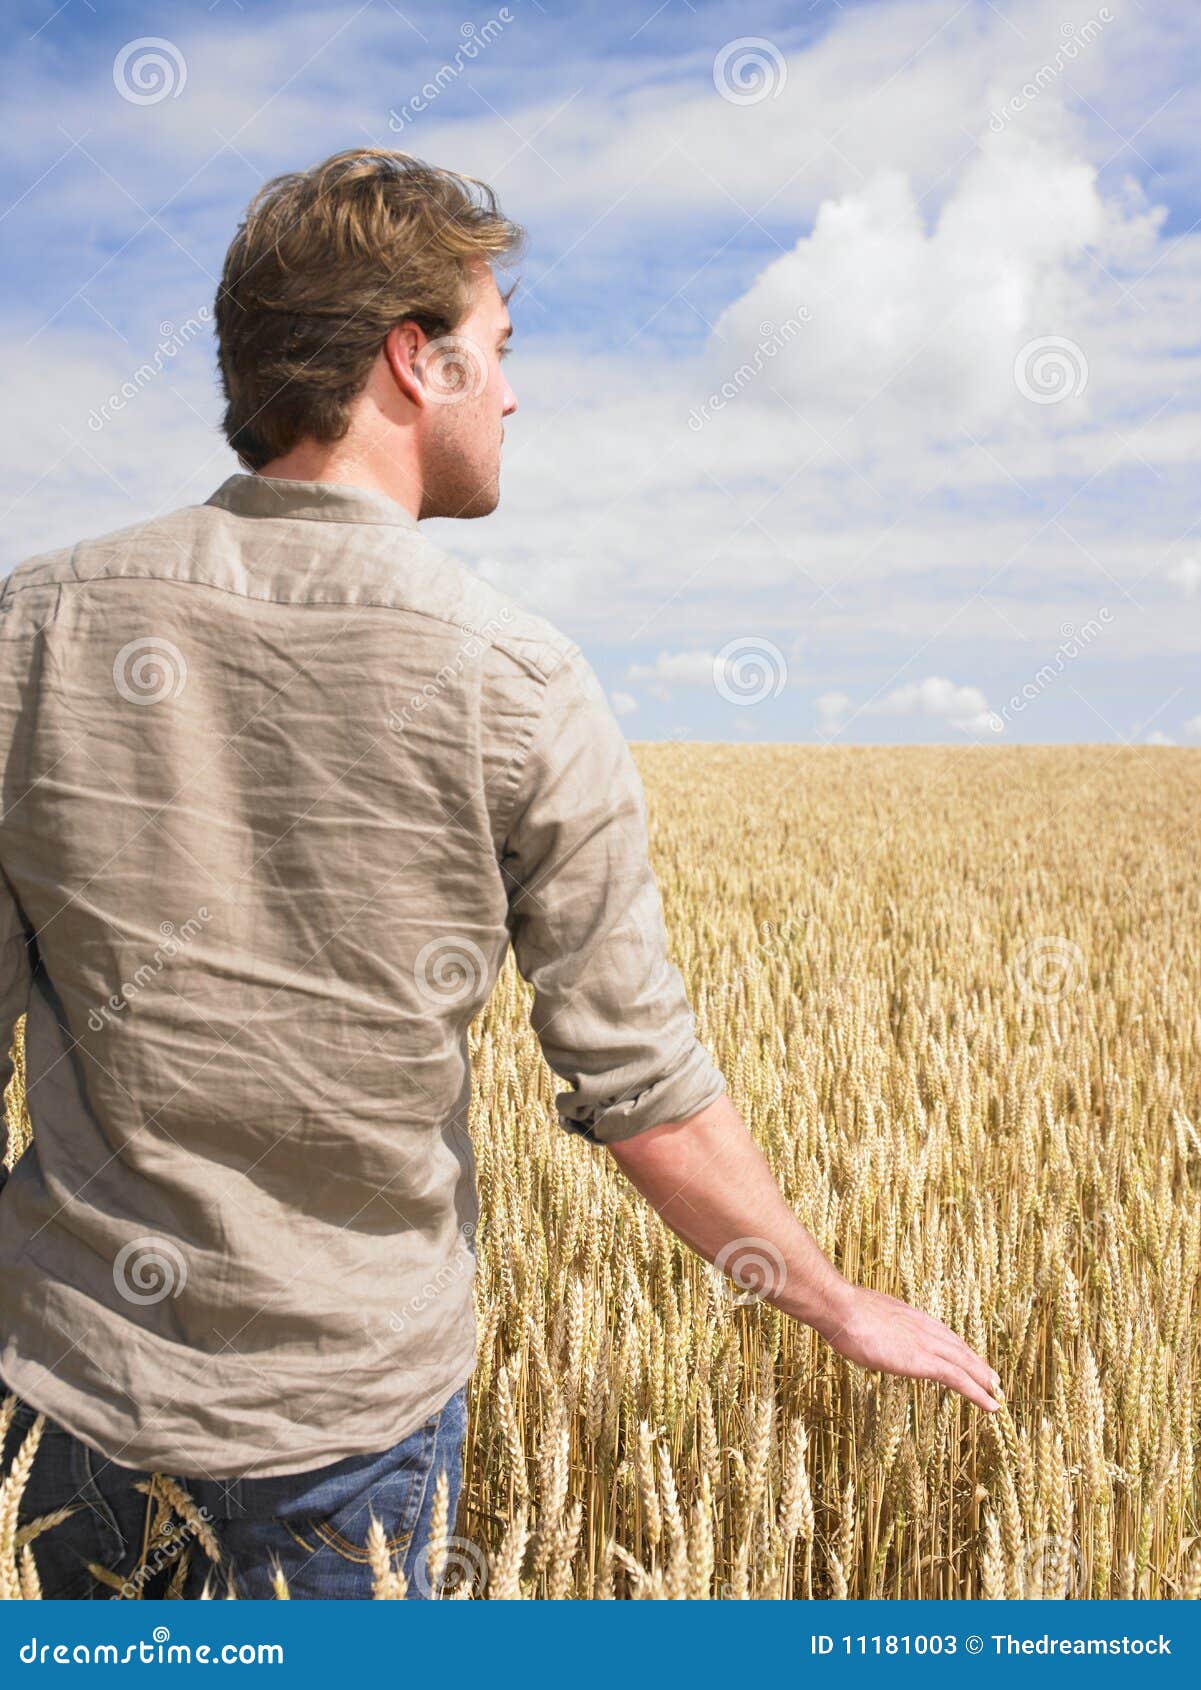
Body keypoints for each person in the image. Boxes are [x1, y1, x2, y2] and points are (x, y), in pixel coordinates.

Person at [0, 148, 1000, 1602]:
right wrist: (833, 1301)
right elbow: (643, 1089)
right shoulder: (517, 680)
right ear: (413, 364)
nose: (517, 395)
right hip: (347, 1440)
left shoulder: (31, 631)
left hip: (62, 1398)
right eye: (500, 351)